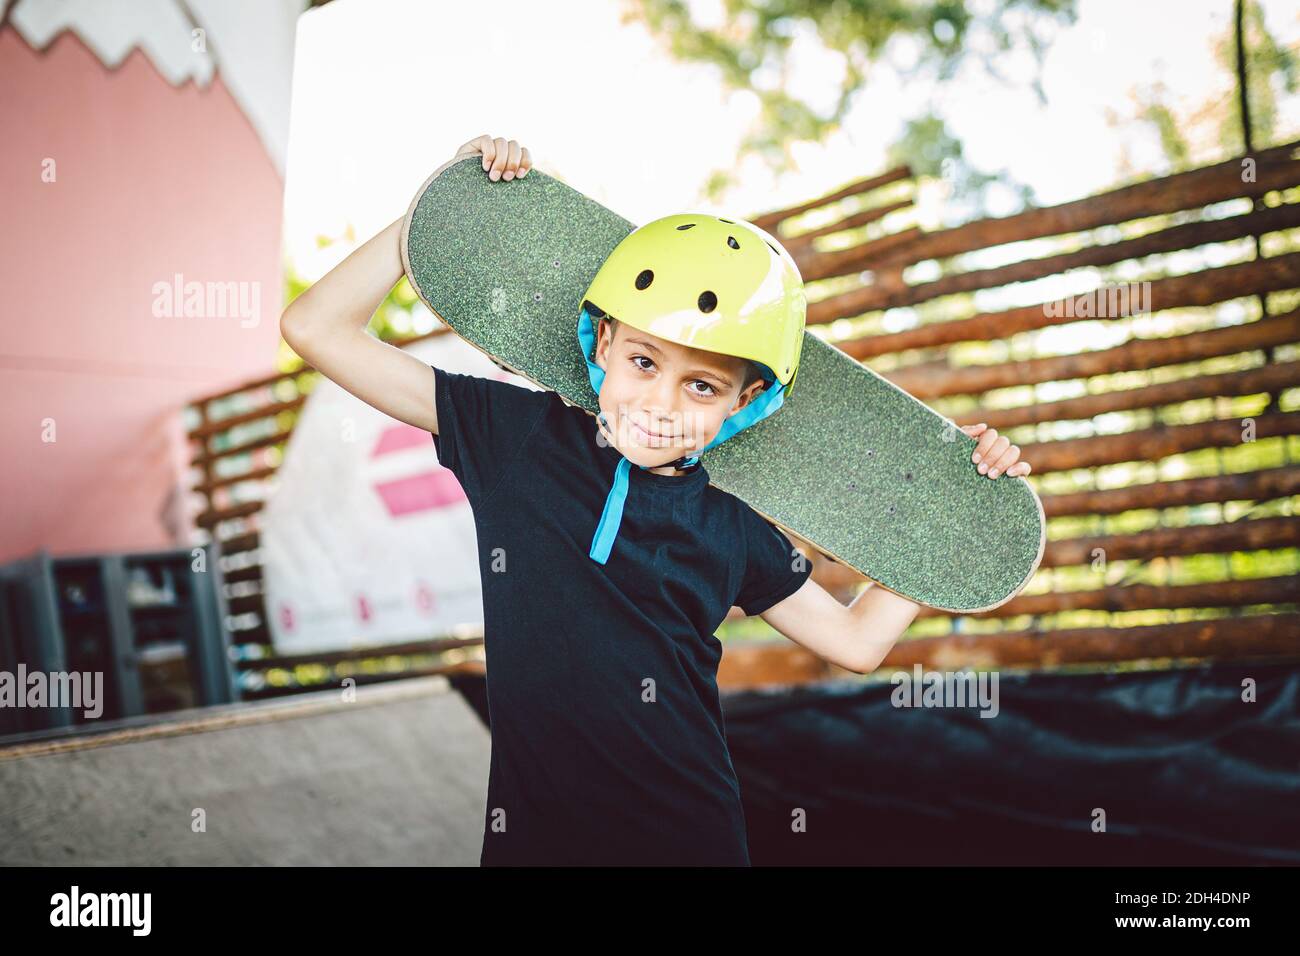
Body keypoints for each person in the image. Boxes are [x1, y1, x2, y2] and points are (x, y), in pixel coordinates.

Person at [280, 134, 1033, 866]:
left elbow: (857, 645)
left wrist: (948, 507)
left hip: (687, 837)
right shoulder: (513, 439)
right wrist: (437, 207)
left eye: (701, 385)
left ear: (747, 400)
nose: (661, 403)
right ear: (603, 344)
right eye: (644, 360)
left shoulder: (732, 524)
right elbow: (315, 328)